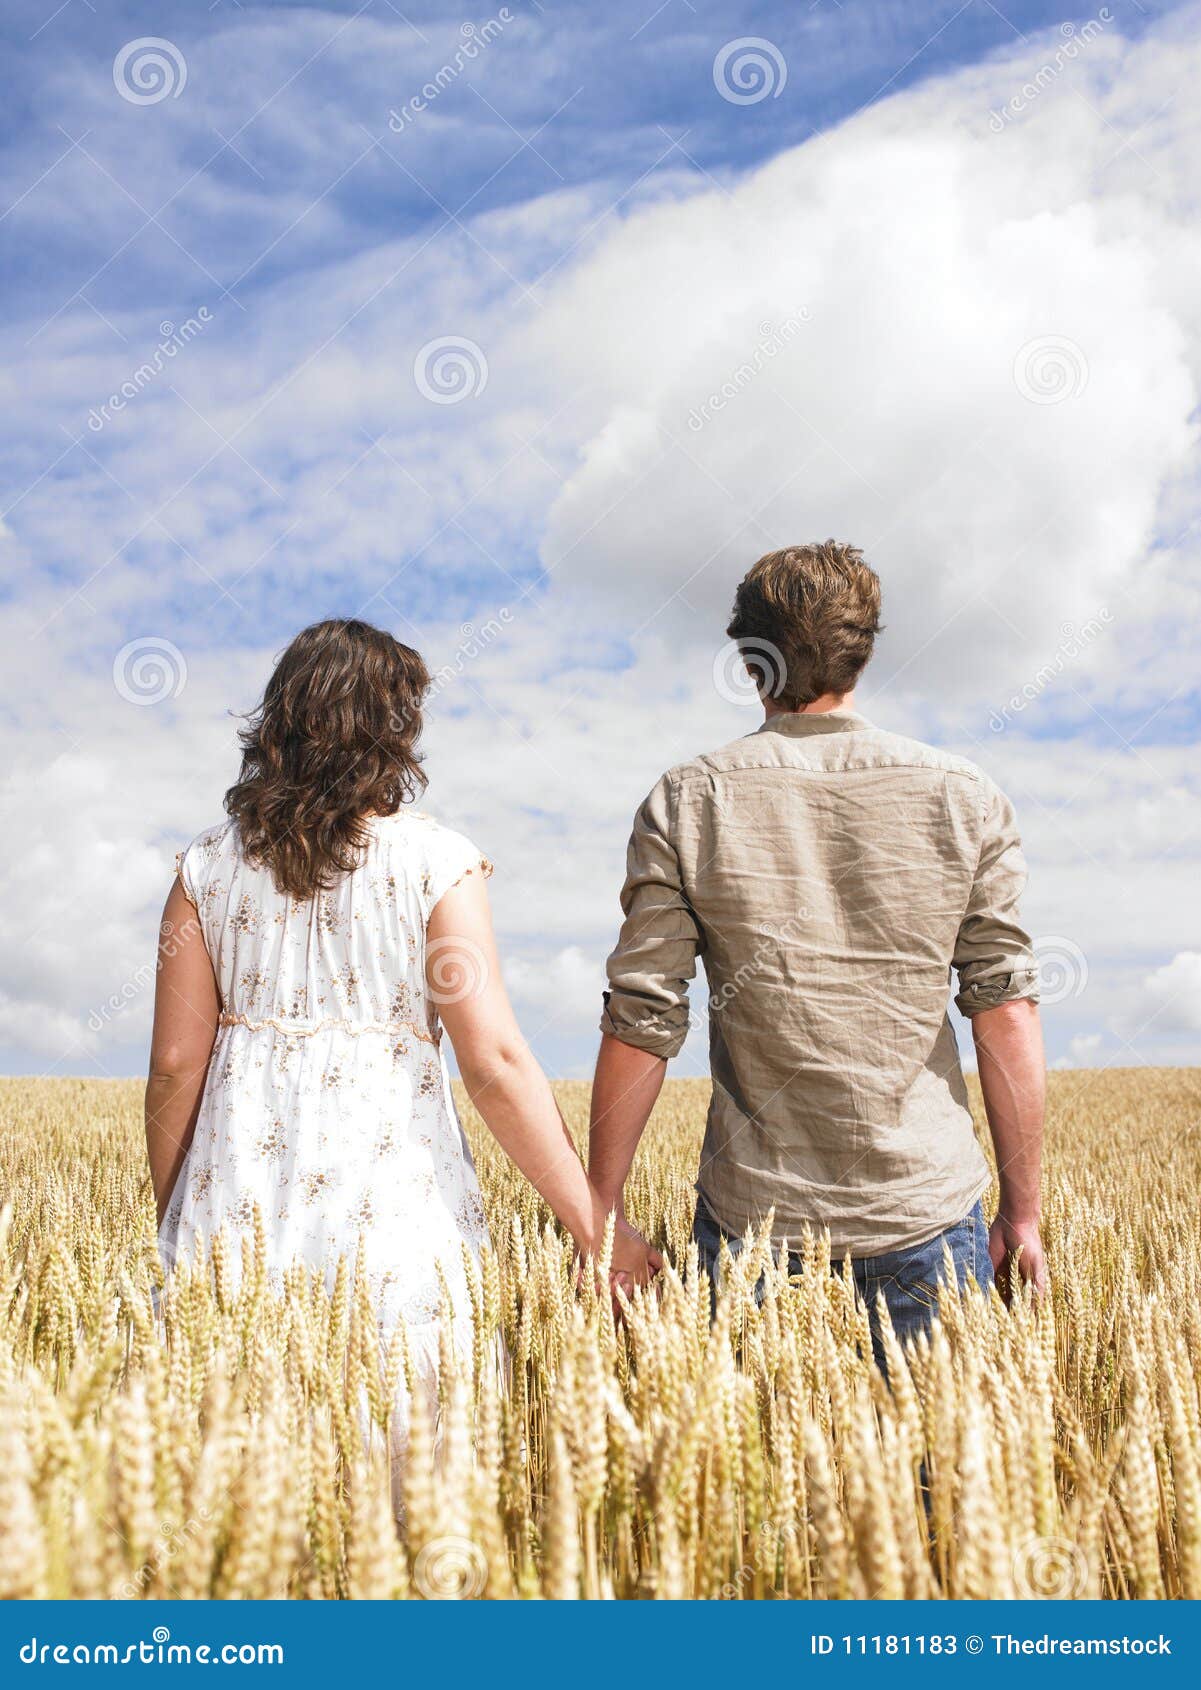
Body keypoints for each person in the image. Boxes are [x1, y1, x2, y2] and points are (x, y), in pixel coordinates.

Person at [146, 618, 659, 1441]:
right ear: (396, 731)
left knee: (232, 1475)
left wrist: (179, 1215)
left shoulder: (203, 868)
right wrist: (595, 1228)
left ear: (277, 722)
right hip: (395, 1212)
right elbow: (490, 1060)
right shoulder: (435, 862)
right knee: (410, 1464)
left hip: (232, 1208)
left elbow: (176, 1063)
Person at [587, 542, 1046, 1359]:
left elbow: (643, 1019)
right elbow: (1002, 1009)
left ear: (747, 659)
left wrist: (602, 1212)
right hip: (925, 1211)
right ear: (861, 651)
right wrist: (1021, 1212)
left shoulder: (687, 800)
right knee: (941, 1484)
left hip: (751, 1222)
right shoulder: (962, 795)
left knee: (755, 1482)